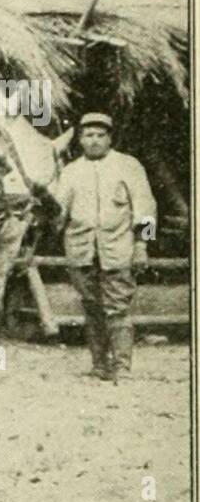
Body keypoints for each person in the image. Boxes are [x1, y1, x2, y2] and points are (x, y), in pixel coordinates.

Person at [49, 112, 156, 381]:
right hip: (81, 250)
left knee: (117, 309)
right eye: (88, 136)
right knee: (91, 307)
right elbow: (58, 214)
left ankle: (122, 366)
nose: (94, 141)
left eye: (100, 135)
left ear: (110, 138)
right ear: (81, 140)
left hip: (118, 250)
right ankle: (99, 364)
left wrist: (142, 245)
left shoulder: (128, 166)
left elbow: (147, 209)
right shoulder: (71, 171)